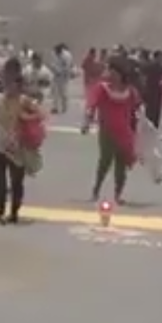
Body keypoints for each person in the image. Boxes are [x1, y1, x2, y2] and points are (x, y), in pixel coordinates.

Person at [0, 58, 41, 224]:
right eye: (7, 82)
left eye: (13, 83)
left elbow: (40, 115)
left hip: (18, 147)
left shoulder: (24, 101)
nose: (9, 86)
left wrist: (26, 117)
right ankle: (0, 210)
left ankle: (14, 211)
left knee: (16, 182)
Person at [83, 59, 139, 204]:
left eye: (114, 72)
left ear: (121, 74)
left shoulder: (130, 91)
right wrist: (87, 121)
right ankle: (96, 191)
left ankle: (118, 194)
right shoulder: (102, 89)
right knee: (104, 161)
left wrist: (139, 130)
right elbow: (92, 105)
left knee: (121, 165)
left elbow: (136, 110)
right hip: (107, 131)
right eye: (110, 72)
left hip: (125, 132)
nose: (111, 75)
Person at [50, 43, 74, 115]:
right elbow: (52, 63)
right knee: (54, 92)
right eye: (55, 51)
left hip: (64, 77)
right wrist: (54, 69)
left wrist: (61, 72)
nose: (56, 52)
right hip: (55, 75)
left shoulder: (67, 55)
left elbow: (67, 66)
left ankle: (64, 107)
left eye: (57, 51)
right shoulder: (53, 53)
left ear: (61, 50)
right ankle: (55, 108)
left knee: (63, 93)